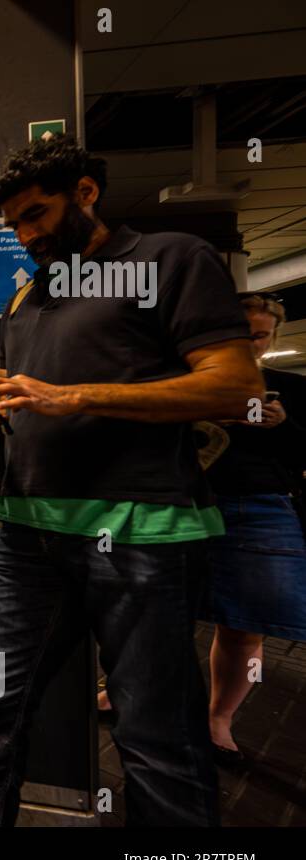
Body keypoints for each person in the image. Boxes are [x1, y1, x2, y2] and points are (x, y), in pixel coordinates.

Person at [0, 136, 262, 827]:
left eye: (38, 215)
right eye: (17, 224)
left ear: (86, 192)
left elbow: (235, 386)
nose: (26, 235)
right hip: (30, 536)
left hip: (142, 532)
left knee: (155, 736)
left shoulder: (169, 260)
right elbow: (37, 405)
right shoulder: (31, 301)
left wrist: (76, 396)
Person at [199, 292, 306, 765]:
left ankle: (219, 718)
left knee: (247, 626)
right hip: (185, 503)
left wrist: (281, 427)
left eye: (259, 336)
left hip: (260, 506)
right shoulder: (185, 382)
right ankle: (126, 693)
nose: (249, 344)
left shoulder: (289, 388)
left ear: (272, 338)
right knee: (154, 614)